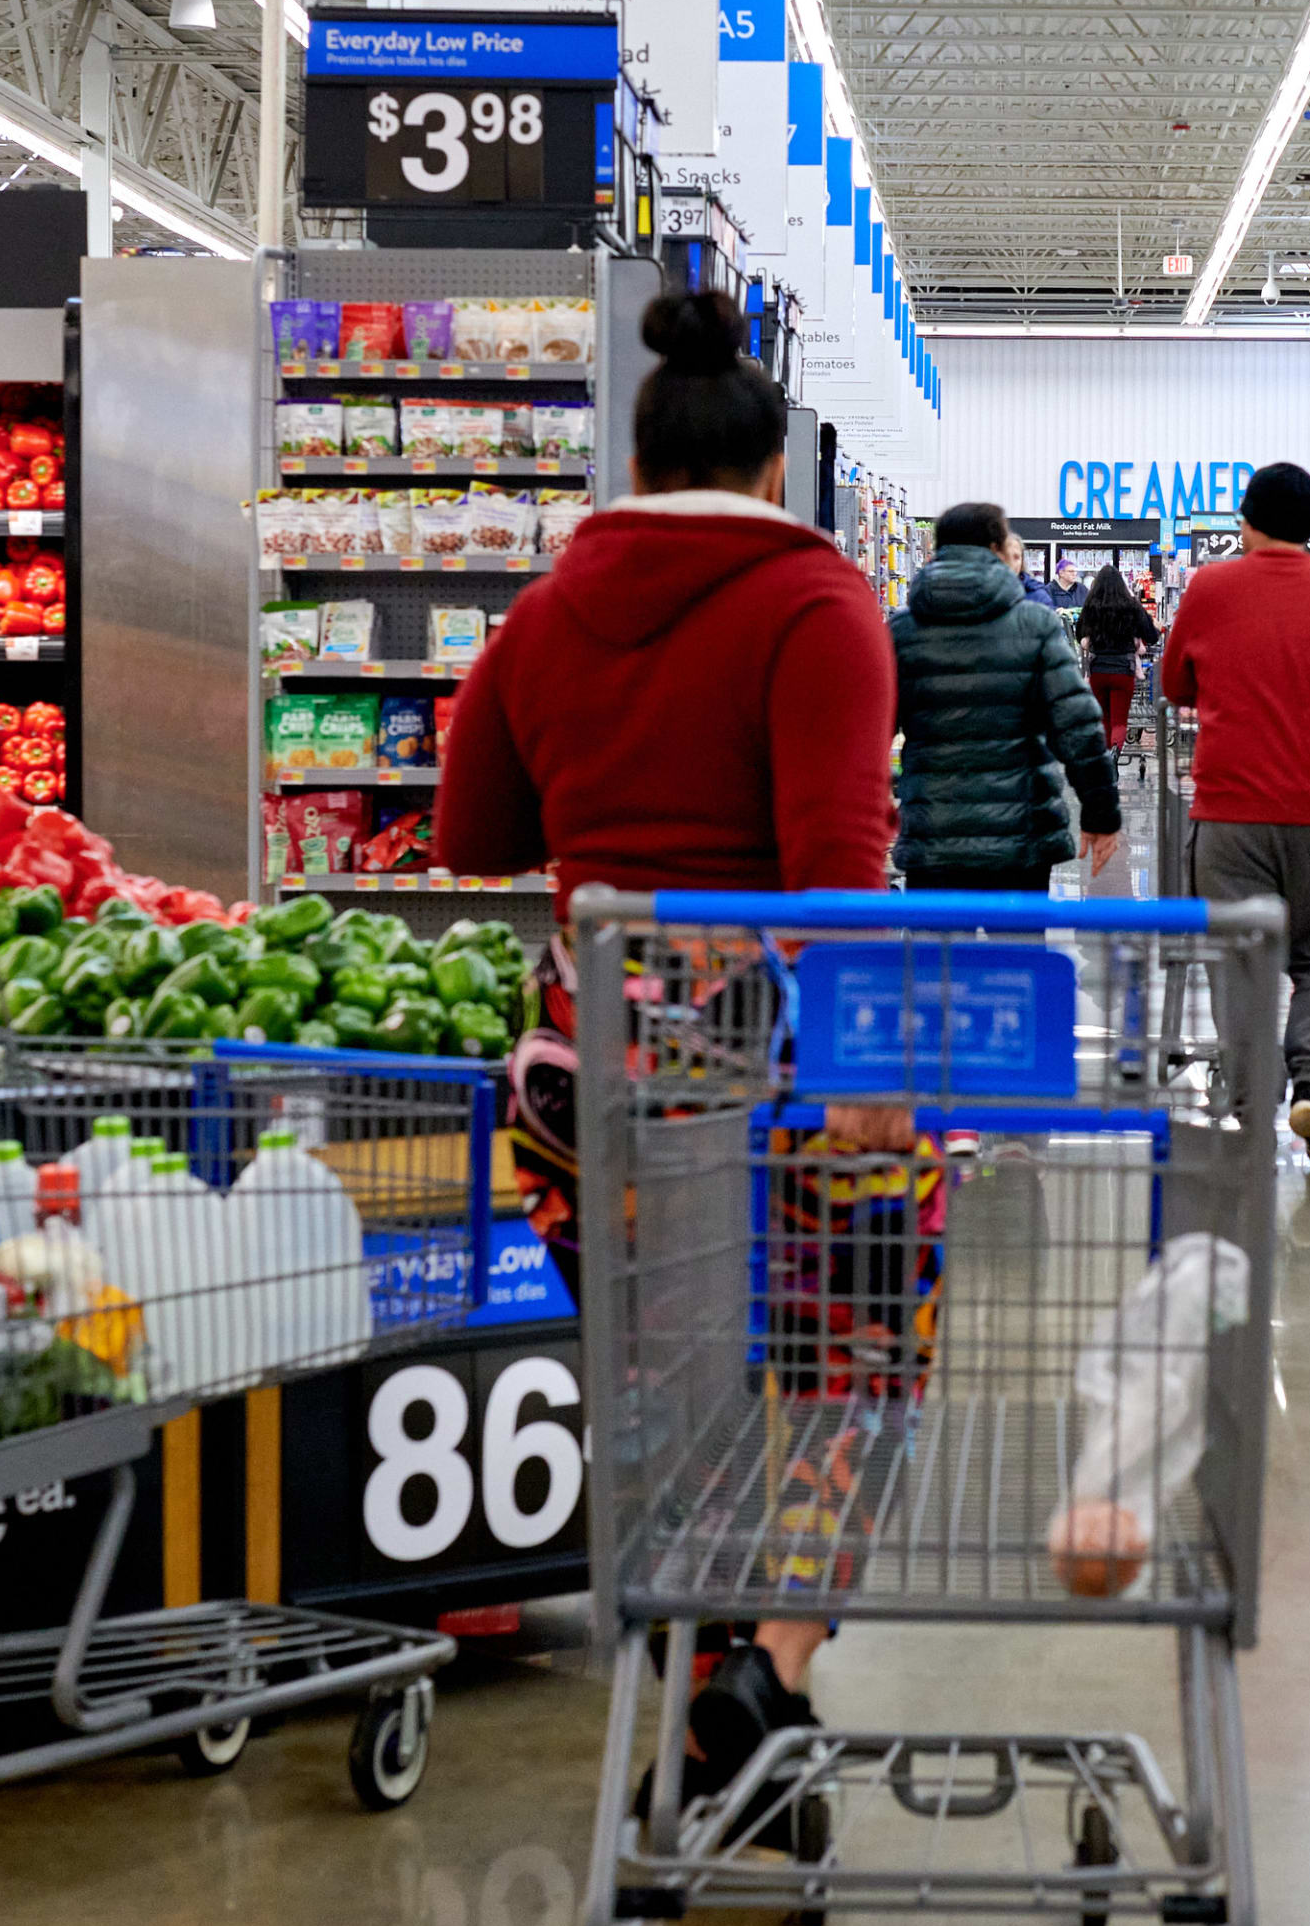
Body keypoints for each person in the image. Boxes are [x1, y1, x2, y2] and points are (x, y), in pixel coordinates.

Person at [436, 284, 910, 1809]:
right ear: (776, 470)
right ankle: (766, 1661)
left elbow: (470, 832)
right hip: (770, 1066)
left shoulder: (543, 610)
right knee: (858, 1355)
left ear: (636, 464)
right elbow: (839, 864)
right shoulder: (817, 603)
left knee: (664, 1386)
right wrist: (863, 1080)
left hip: (594, 1076)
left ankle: (706, 1686)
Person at [1158, 460, 1310, 1161]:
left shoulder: (1210, 587)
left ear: (1246, 519)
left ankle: (1246, 1098)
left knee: (1238, 955)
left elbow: (1175, 681)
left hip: (1230, 811)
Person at [889, 502, 1122, 895]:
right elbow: (1077, 728)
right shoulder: (1035, 625)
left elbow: (863, 733)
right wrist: (1100, 817)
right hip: (1022, 839)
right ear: (999, 550)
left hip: (934, 835)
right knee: (1019, 955)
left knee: (939, 955)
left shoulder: (902, 632)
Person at [1077, 563, 1159, 751]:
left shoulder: (1090, 605)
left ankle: (1106, 761)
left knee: (1104, 719)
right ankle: (1115, 757)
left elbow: (1079, 633)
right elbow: (1152, 636)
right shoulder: (1131, 606)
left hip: (1098, 669)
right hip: (1124, 670)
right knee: (1119, 722)